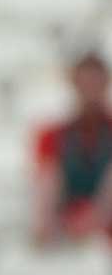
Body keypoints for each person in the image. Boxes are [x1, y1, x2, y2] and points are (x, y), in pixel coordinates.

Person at [33, 50, 112, 245]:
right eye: (85, 84)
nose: (91, 92)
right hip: (66, 225)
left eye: (96, 84)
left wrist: (94, 219)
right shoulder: (53, 135)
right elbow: (46, 183)